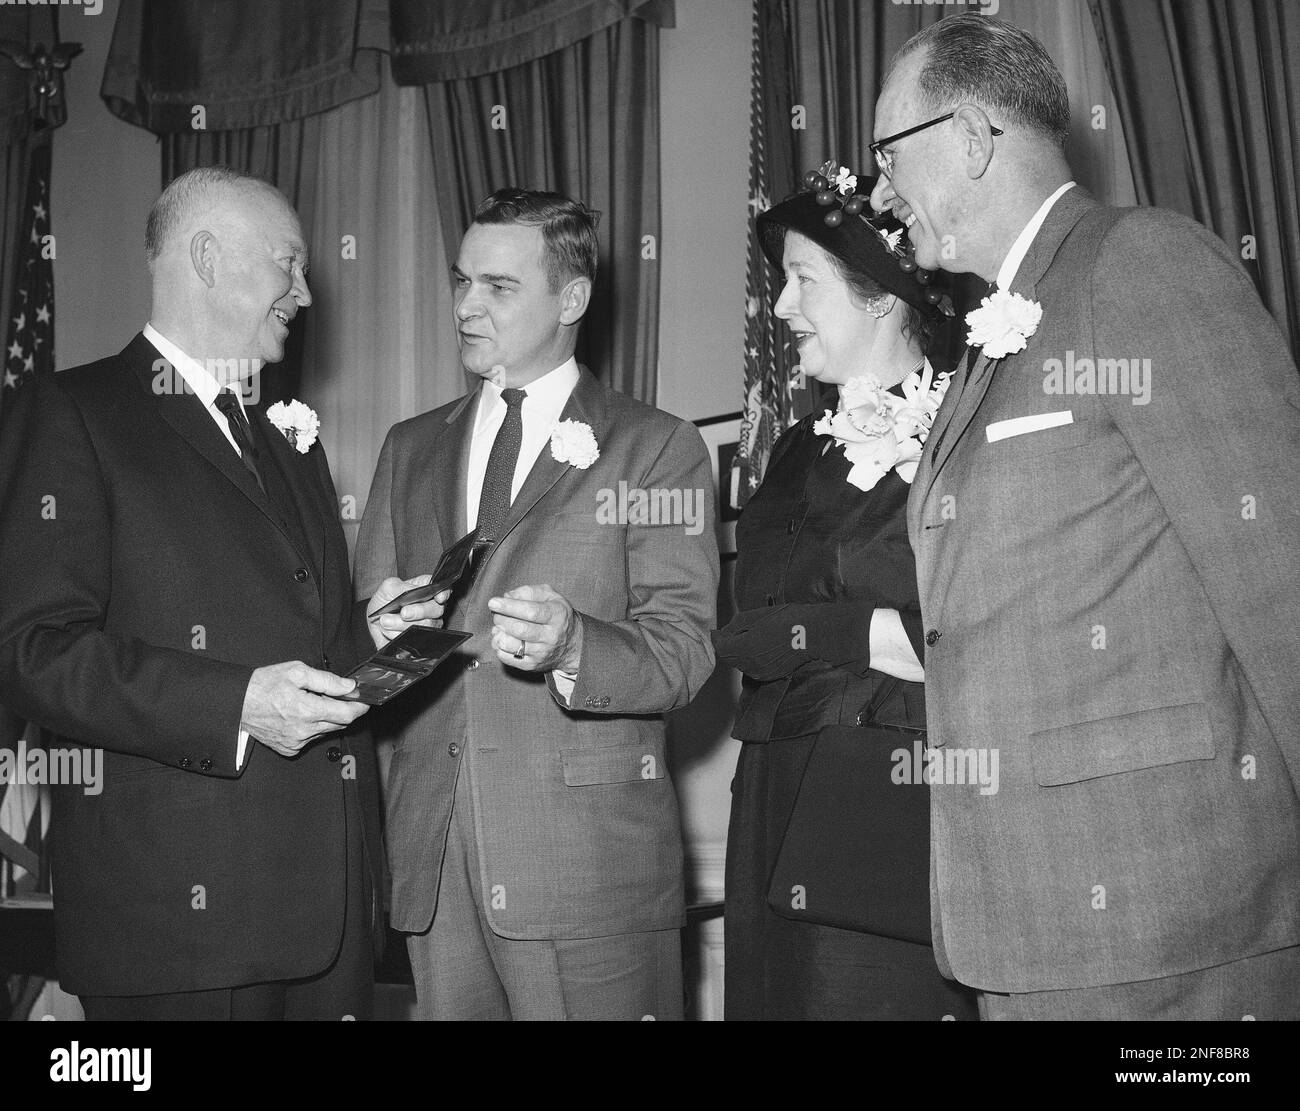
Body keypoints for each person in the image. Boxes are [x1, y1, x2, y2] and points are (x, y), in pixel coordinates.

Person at [869, 13, 1300, 1019]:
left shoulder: (1141, 265)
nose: (881, 188)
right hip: (1024, 915)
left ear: (970, 140)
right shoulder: (996, 324)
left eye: (891, 151)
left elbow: (1278, 571)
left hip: (1169, 913)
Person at [0, 167, 385, 1019]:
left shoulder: (292, 443)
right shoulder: (71, 411)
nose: (306, 292)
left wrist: (376, 629)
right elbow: (32, 652)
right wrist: (236, 705)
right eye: (289, 263)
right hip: (180, 928)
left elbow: (308, 650)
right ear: (207, 257)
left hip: (327, 917)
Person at [355, 188, 718, 1021]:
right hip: (433, 864)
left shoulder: (656, 446)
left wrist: (574, 646)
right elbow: (365, 650)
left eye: (498, 286)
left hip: (586, 872)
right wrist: (374, 632)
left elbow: (685, 649)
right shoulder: (409, 447)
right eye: (460, 282)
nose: (465, 306)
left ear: (572, 298)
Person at [715, 164, 978, 1020]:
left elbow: (975, 633)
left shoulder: (961, 434)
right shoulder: (794, 450)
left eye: (802, 281)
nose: (782, 307)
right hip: (769, 782)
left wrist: (823, 631)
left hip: (882, 795)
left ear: (881, 298)